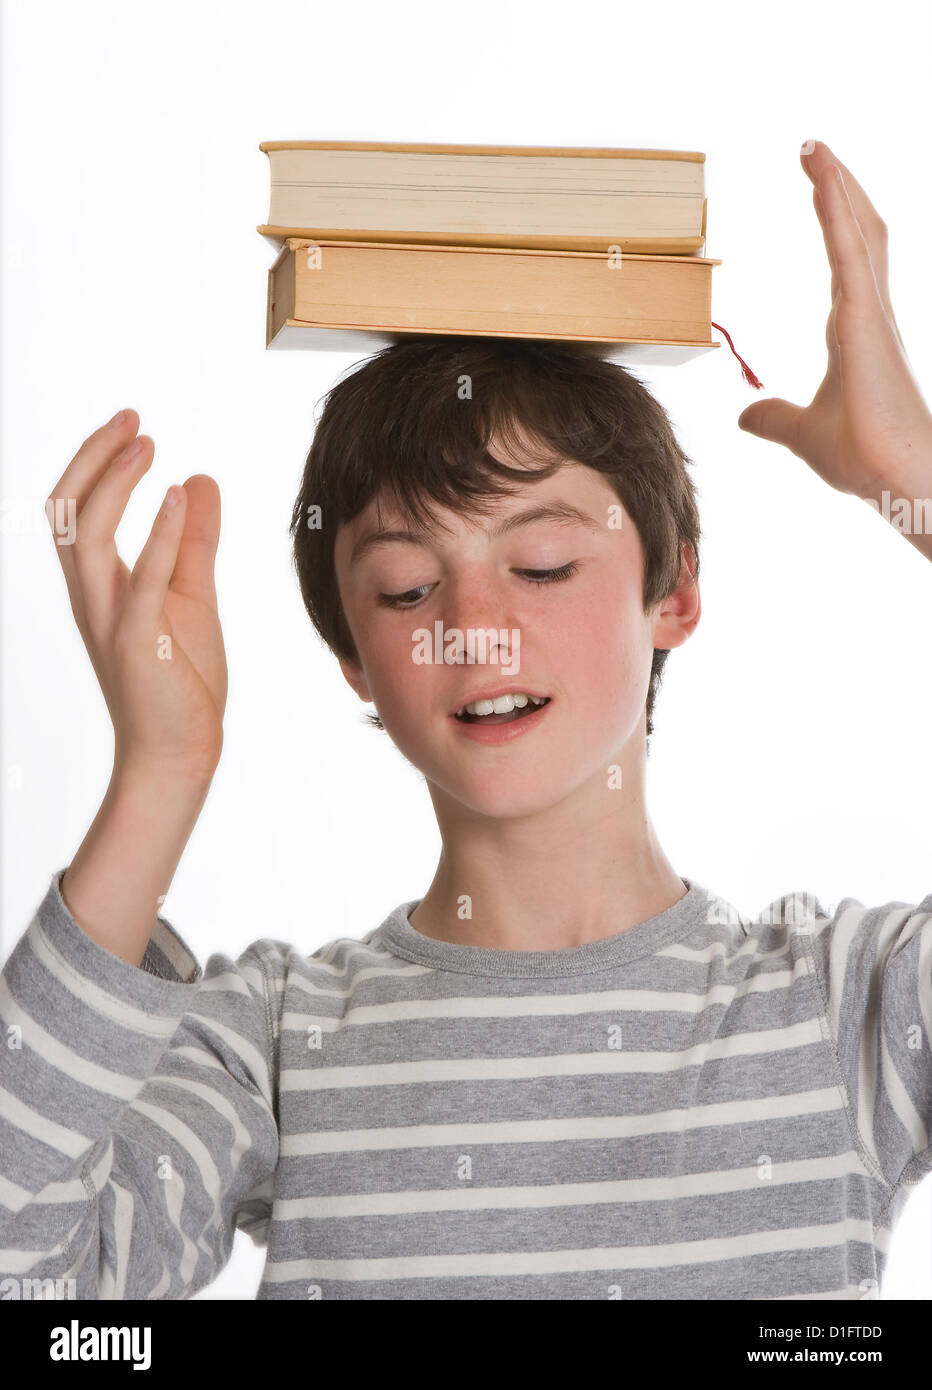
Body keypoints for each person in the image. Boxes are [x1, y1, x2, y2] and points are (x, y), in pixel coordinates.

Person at [1, 139, 930, 1301]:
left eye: (541, 563)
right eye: (403, 589)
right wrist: (161, 771)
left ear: (673, 594)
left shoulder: (847, 1009)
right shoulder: (275, 1046)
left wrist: (918, 477)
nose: (474, 626)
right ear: (353, 655)